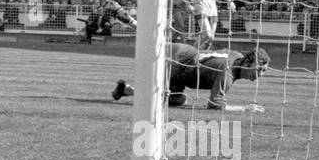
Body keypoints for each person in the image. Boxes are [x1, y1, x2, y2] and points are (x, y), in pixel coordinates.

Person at [111, 43, 268, 112]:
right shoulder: (227, 74)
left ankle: (125, 90)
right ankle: (127, 18)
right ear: (248, 63)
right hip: (178, 62)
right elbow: (215, 105)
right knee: (158, 100)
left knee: (178, 100)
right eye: (259, 69)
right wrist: (245, 108)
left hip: (184, 56)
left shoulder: (237, 56)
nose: (260, 74)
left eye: (263, 71)